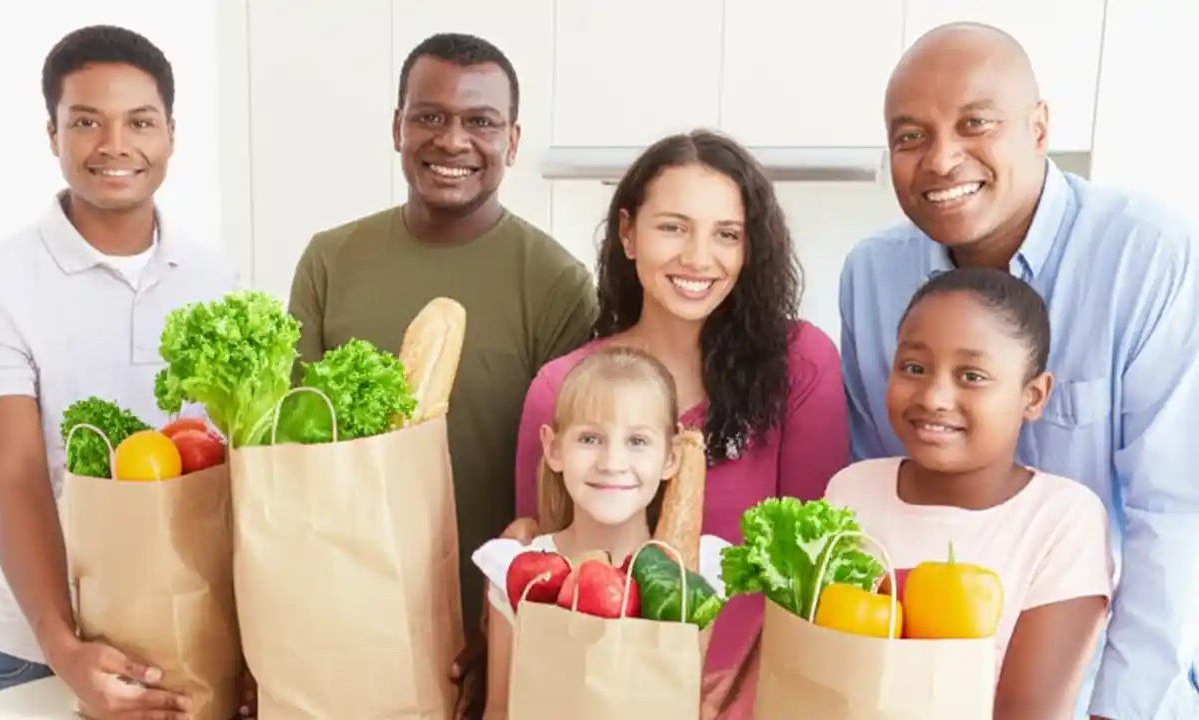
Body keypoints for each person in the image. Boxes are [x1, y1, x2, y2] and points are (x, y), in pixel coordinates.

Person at [840, 21, 1199, 719]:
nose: (942, 159)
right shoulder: (872, 276)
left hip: (1099, 683)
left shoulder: (1147, 256)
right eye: (910, 136)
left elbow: (1176, 508)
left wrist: (1116, 712)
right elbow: (888, 504)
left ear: (1038, 127)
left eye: (976, 124)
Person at [0, 25, 239, 716]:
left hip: (188, 625)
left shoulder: (213, 278)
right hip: (37, 645)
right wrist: (65, 647)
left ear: (170, 133)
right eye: (86, 122)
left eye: (140, 121)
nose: (115, 144)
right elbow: (12, 476)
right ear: (53, 134)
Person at [507, 129, 849, 718]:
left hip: (758, 700)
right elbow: (542, 577)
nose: (697, 257)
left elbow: (814, 568)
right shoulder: (563, 388)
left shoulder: (802, 363)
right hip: (605, 700)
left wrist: (743, 686)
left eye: (726, 235)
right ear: (627, 234)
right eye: (672, 227)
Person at [286, 32, 597, 644]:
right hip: (337, 609)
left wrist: (499, 631)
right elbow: (291, 457)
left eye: (480, 121)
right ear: (397, 126)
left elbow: (562, 491)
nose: (452, 140)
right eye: (430, 116)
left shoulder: (557, 282)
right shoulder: (330, 261)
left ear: (511, 139)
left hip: (496, 614)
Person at [827, 267, 1114, 717]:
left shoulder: (1061, 518)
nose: (935, 397)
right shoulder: (852, 490)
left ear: (1034, 397)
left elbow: (1030, 711)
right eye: (914, 368)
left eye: (972, 376)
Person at [470, 346, 728, 718]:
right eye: (590, 439)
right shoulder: (517, 572)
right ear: (554, 447)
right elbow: (499, 711)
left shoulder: (694, 576)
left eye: (637, 441)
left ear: (670, 458)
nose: (612, 463)